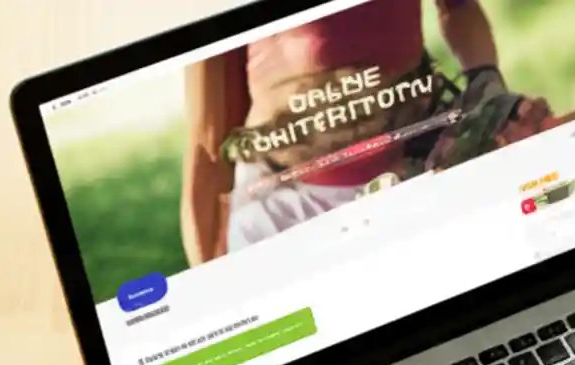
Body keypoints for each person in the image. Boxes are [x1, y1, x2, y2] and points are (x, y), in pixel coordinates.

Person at [180, 0, 550, 265]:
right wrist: (211, 296)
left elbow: (459, 6)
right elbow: (208, 147)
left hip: (419, 172)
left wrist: (486, 83)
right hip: (286, 214)